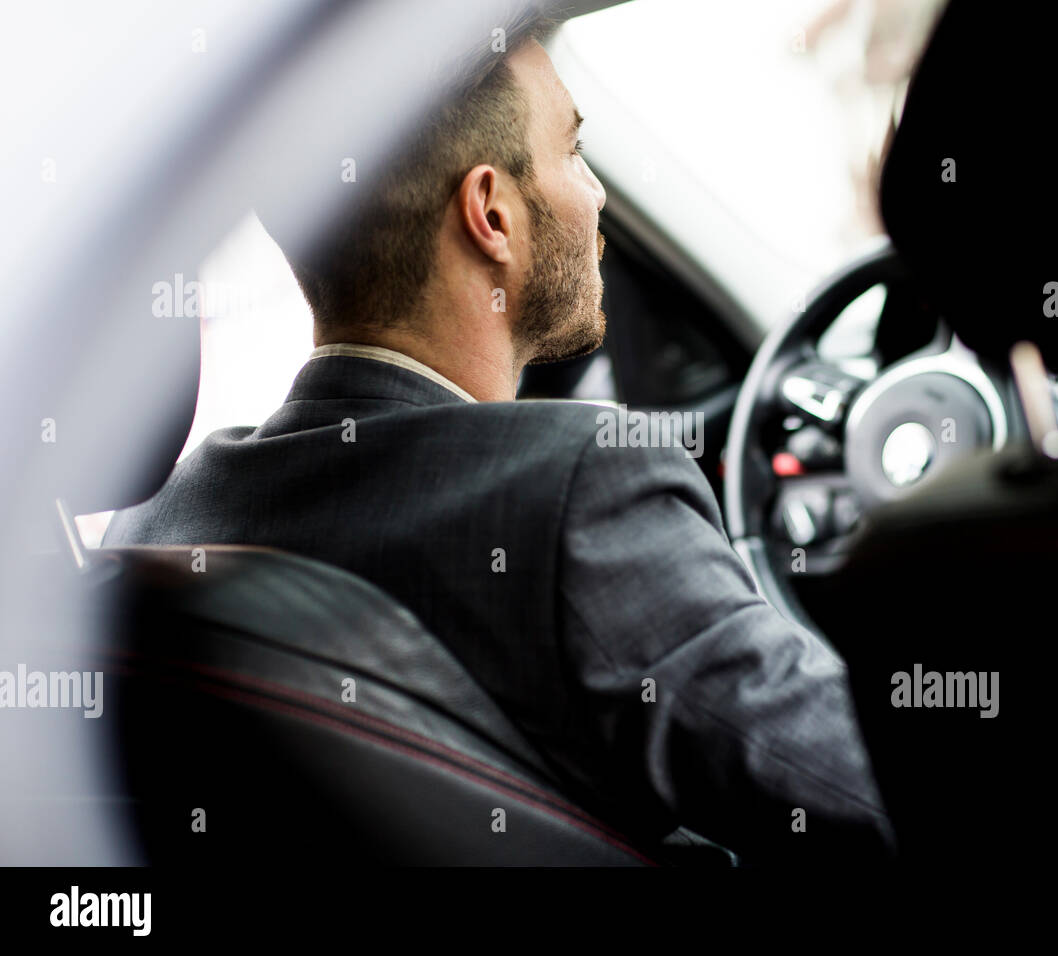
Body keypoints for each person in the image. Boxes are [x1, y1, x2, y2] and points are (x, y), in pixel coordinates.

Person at [104, 12, 895, 865]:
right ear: (491, 212)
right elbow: (884, 792)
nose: (595, 197)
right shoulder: (586, 494)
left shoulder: (154, 540)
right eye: (575, 153)